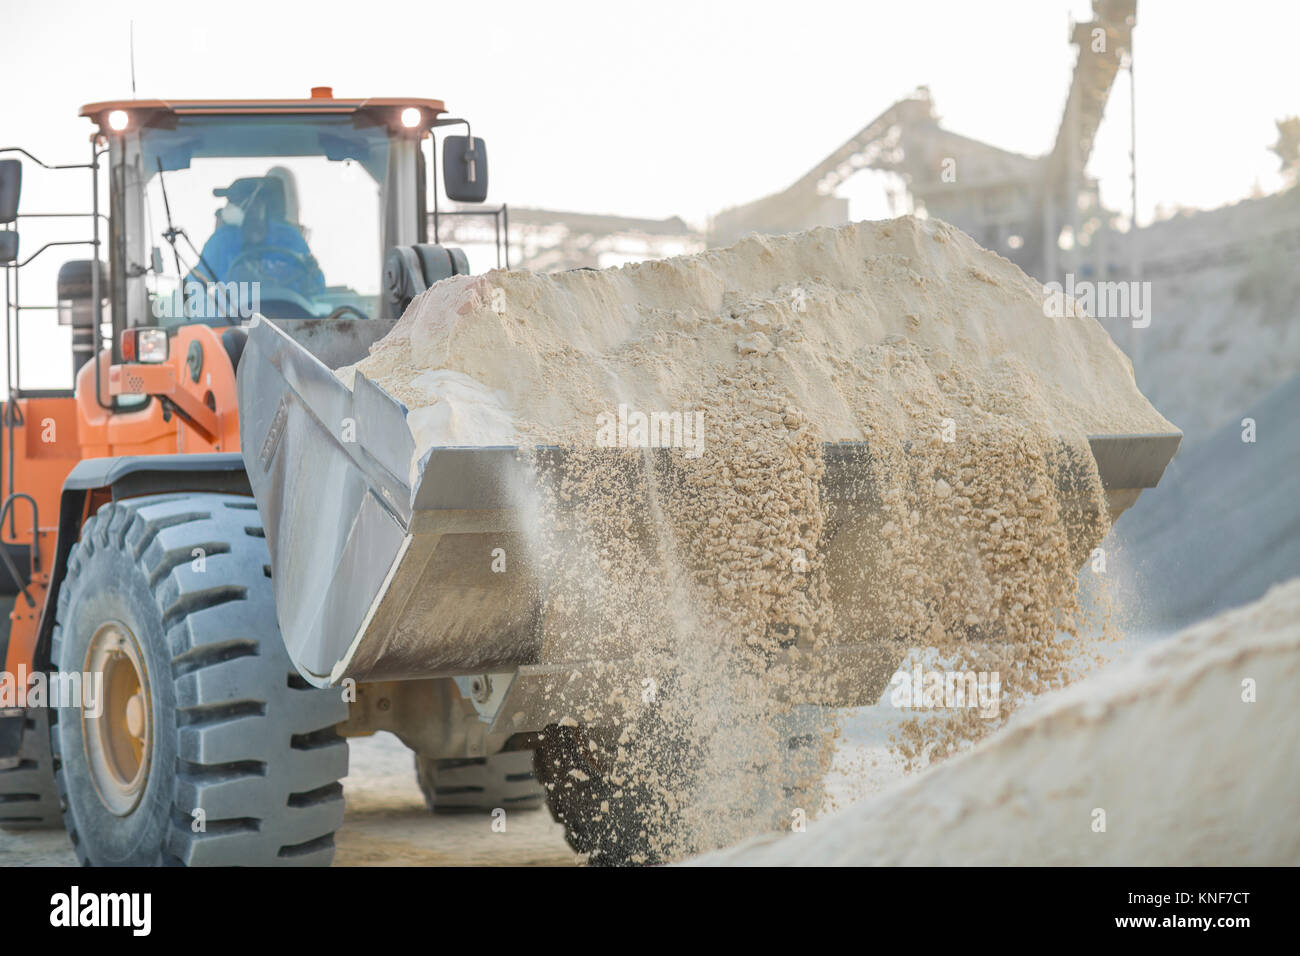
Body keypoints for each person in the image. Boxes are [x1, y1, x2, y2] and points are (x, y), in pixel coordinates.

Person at [192, 176, 324, 296]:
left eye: (240, 203)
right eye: (233, 203)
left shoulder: (289, 237)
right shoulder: (221, 241)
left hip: (289, 317)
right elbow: (196, 286)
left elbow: (316, 286)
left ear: (261, 205)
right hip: (232, 320)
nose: (231, 208)